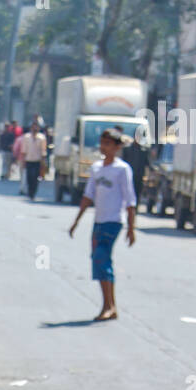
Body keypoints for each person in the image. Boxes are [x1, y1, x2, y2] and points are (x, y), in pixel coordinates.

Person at [69, 126, 136, 321]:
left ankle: (110, 306)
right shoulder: (97, 168)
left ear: (116, 147)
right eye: (102, 143)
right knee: (98, 261)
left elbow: (130, 200)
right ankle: (108, 305)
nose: (103, 147)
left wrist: (131, 228)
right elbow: (88, 196)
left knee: (102, 259)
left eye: (107, 144)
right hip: (98, 221)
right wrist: (76, 221)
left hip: (113, 221)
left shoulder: (122, 169)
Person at [22, 117, 47, 202]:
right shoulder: (26, 137)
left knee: (35, 178)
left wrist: (43, 163)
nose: (34, 128)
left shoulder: (42, 138)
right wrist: (23, 161)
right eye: (33, 127)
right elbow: (24, 150)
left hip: (37, 161)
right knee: (29, 177)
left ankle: (33, 192)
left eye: (36, 127)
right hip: (29, 160)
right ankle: (30, 192)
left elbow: (43, 151)